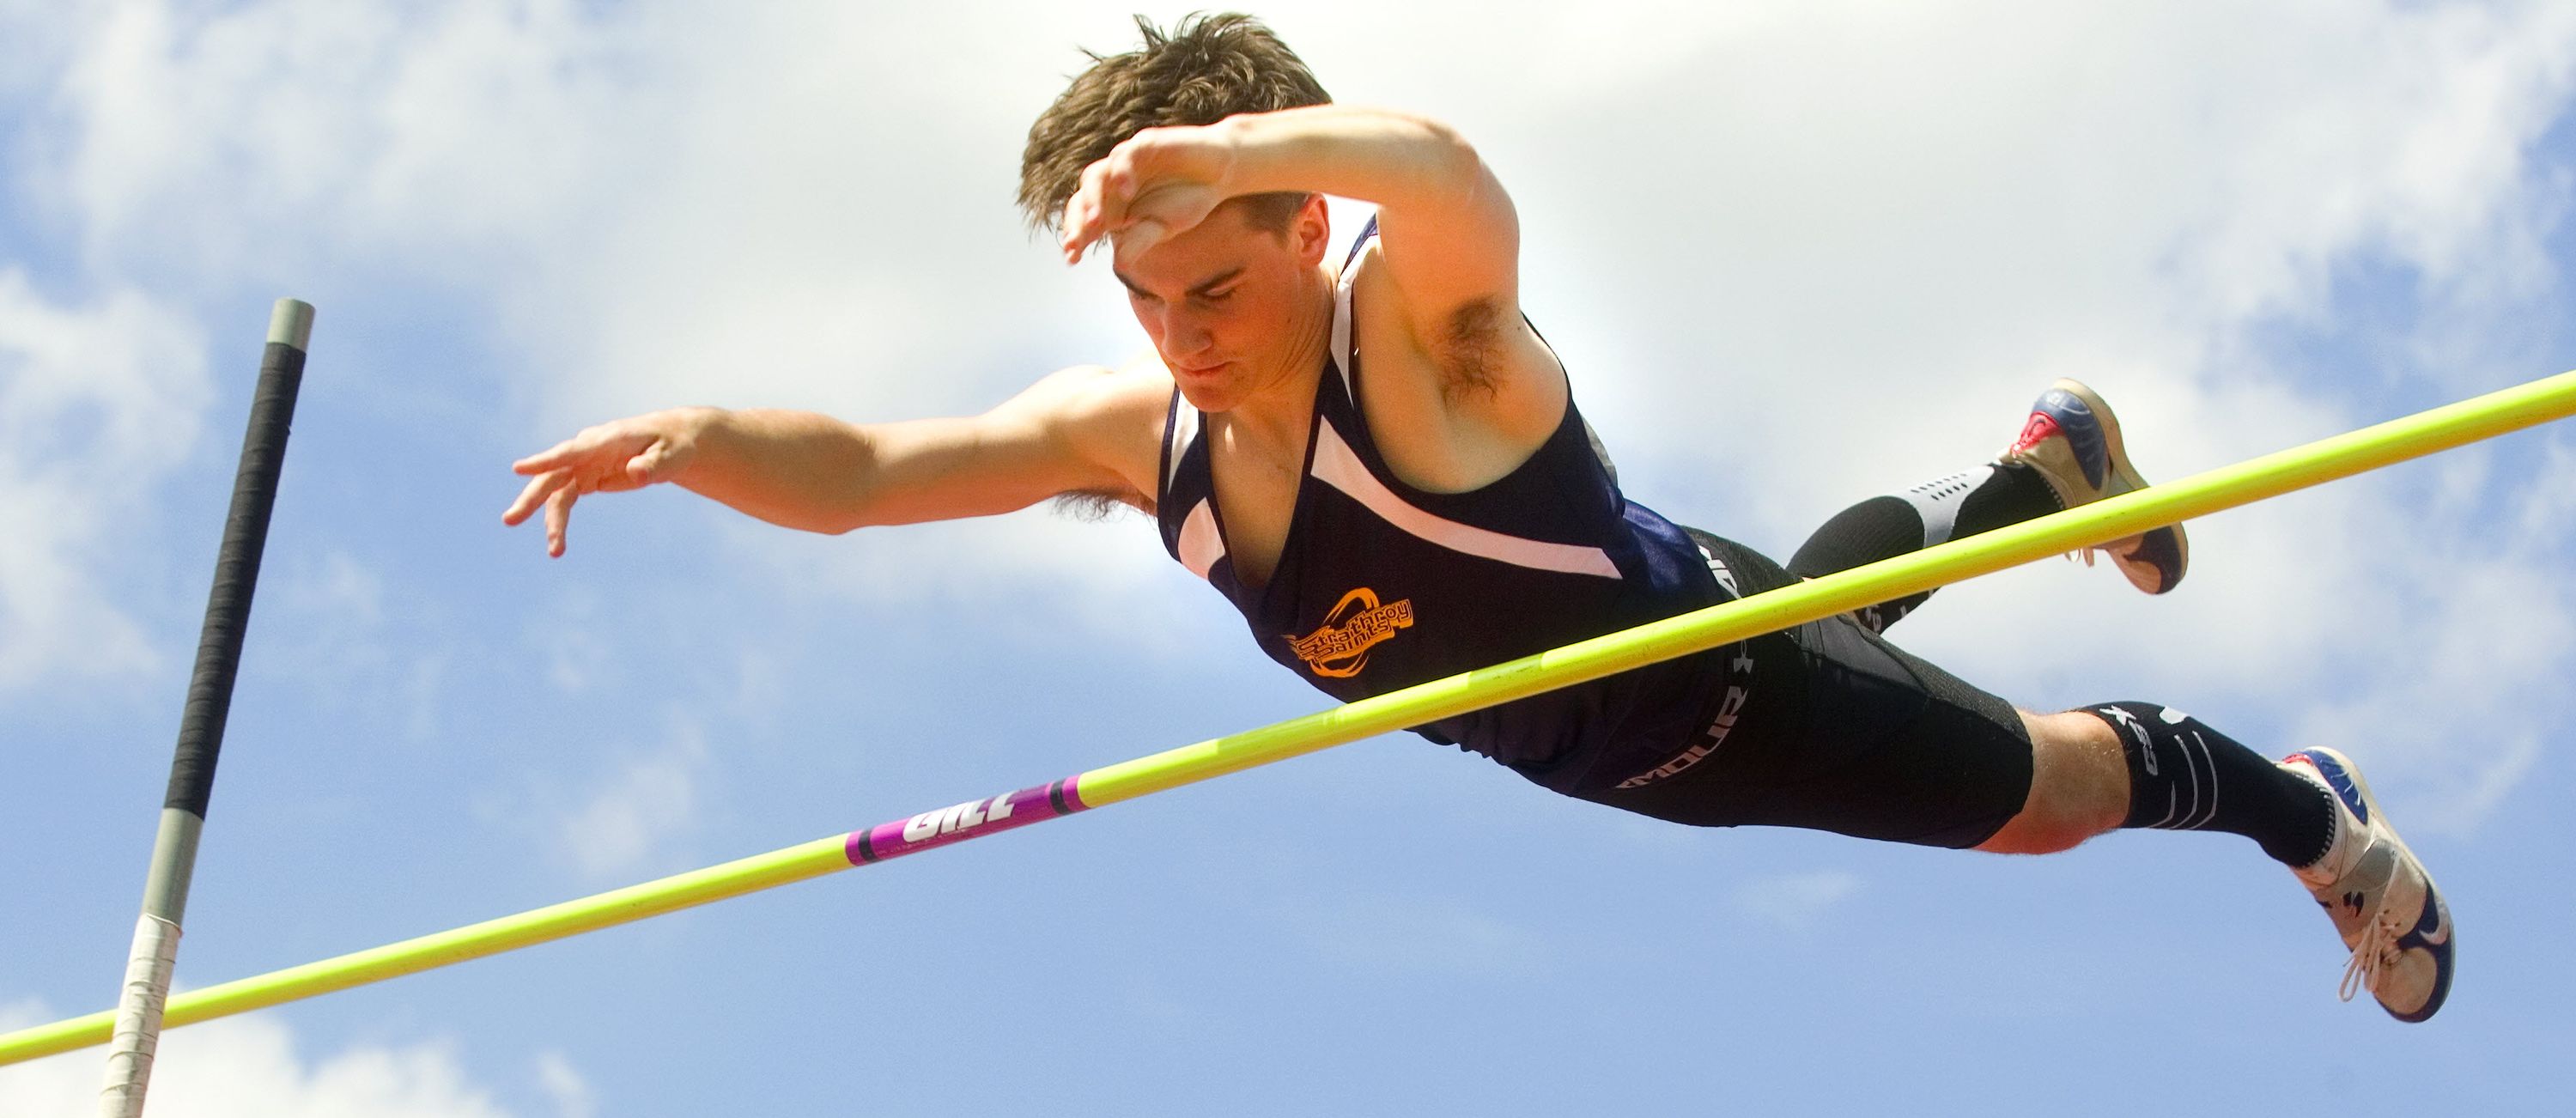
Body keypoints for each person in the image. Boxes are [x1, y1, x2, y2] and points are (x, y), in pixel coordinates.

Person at [501, 14, 2451, 1020]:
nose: (1186, 338)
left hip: (1737, 703)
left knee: (2049, 800)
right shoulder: (1141, 438)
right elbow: (865, 476)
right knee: (1842, 584)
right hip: (1640, 684)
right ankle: (2037, 476)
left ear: (1299, 218)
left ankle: (2310, 815)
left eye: (1221, 281)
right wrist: (700, 435)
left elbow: (1445, 170)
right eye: (1148, 299)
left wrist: (1225, 143)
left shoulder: (1425, 340)